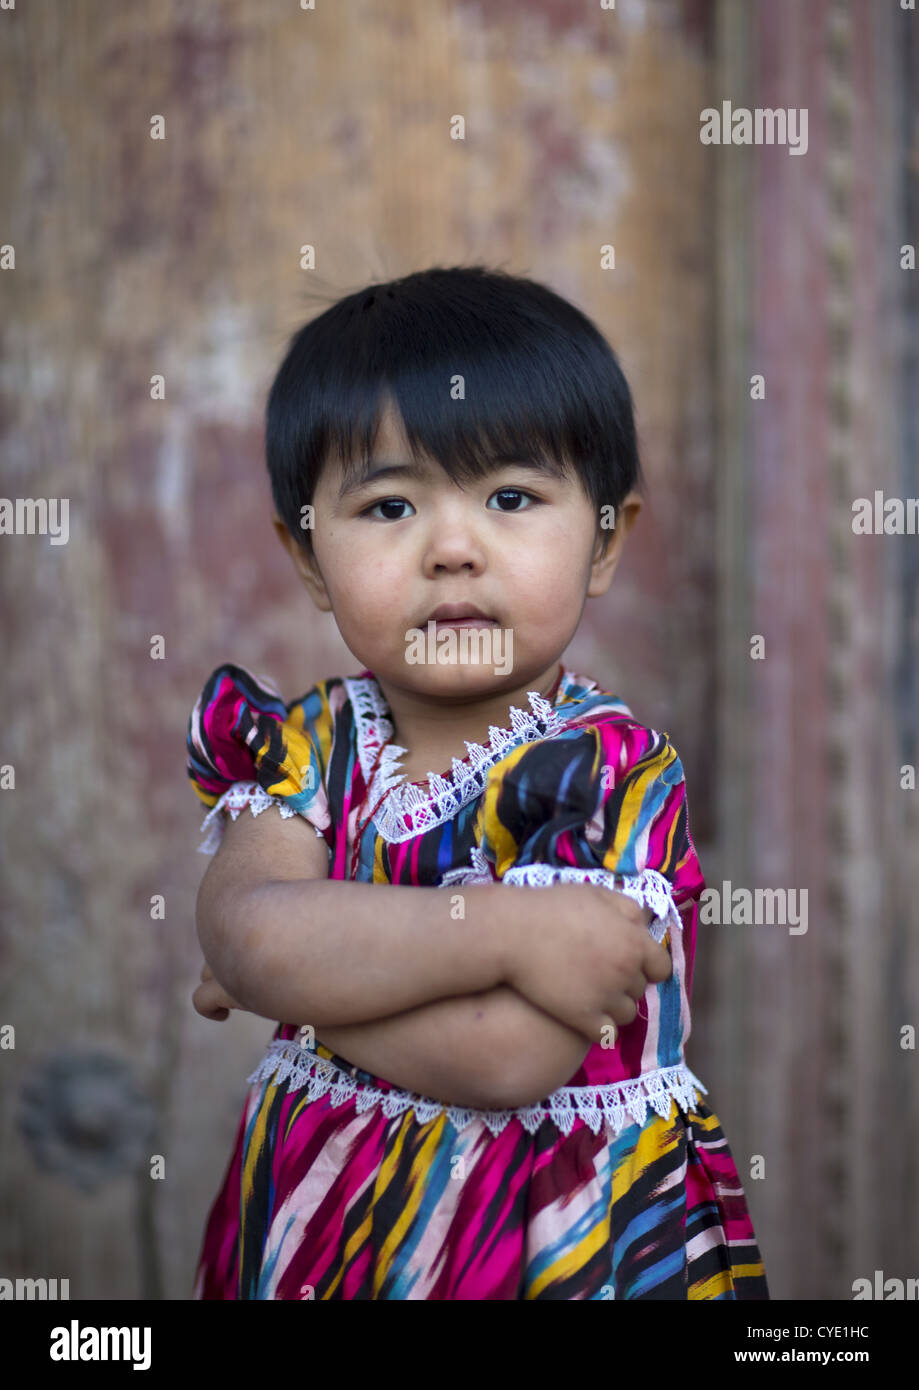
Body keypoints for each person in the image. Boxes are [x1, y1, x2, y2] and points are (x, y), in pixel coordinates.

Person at [185, 264, 769, 1300]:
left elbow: (506, 1056)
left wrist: (283, 977)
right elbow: (242, 927)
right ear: (310, 560)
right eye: (389, 505)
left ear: (603, 540)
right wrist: (504, 932)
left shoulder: (607, 771)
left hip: (557, 1236)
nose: (452, 548)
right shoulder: (306, 744)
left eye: (510, 497)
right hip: (327, 1224)